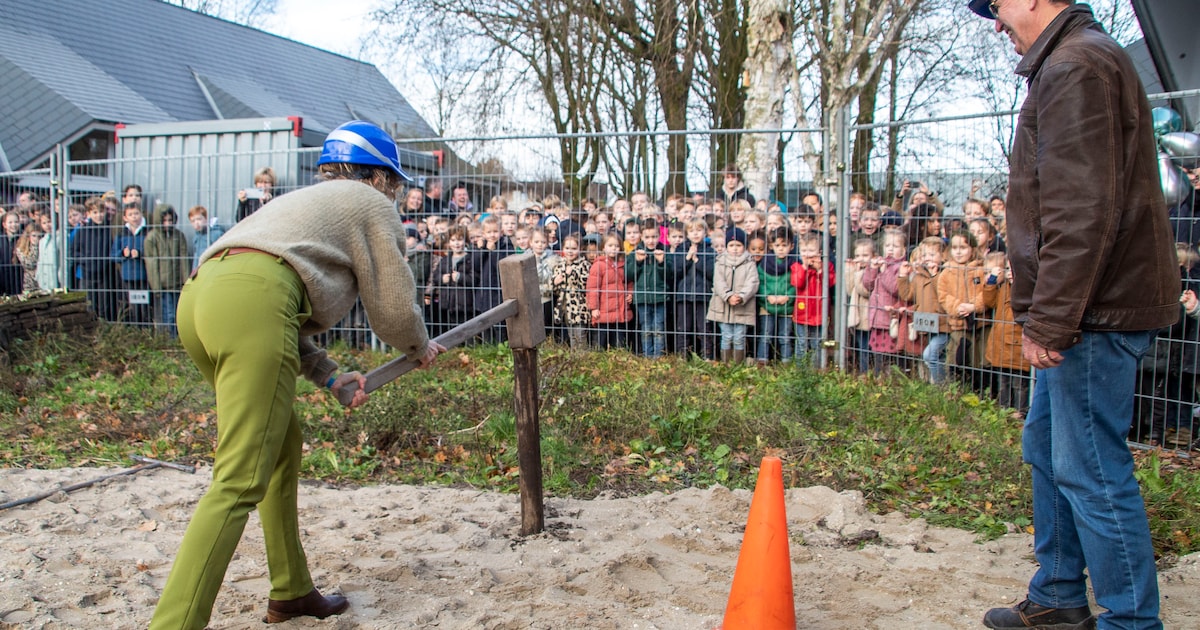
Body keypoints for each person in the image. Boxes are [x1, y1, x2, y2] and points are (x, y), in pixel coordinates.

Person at [149, 120, 445, 630]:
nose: (394, 192)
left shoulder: (307, 202)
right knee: (239, 478)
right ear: (378, 176)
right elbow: (393, 308)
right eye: (393, 181)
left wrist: (329, 375)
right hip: (251, 300)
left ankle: (291, 590)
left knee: (282, 441)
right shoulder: (368, 204)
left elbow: (265, 293)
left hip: (202, 298)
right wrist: (419, 346)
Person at [968, 2, 1179, 629]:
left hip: (1096, 312)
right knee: (1048, 447)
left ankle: (1130, 621)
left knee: (1090, 468)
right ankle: (1060, 592)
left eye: (998, 7)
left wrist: (1052, 319)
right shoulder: (1072, 60)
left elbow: (1082, 211)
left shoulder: (1077, 66)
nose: (997, 22)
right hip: (1091, 305)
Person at [980, 251, 1031, 416]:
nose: (1011, 273)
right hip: (1001, 346)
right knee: (1003, 382)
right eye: (1008, 269)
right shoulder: (1003, 289)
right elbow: (989, 300)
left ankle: (1020, 411)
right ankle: (1004, 411)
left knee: (1020, 384)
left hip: (1018, 348)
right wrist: (992, 281)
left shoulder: (1027, 291)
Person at [898, 237, 950, 384]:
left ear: (942, 256)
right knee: (937, 357)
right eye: (925, 255)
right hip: (929, 325)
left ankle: (941, 387)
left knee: (930, 355)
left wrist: (934, 276)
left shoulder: (944, 274)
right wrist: (903, 276)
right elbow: (907, 295)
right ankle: (943, 383)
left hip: (944, 325)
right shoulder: (919, 276)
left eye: (932, 255)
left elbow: (942, 294)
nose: (928, 259)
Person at [707, 227, 759, 364]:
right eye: (731, 245)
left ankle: (737, 365)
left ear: (744, 246)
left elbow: (752, 282)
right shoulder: (720, 261)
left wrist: (741, 296)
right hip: (723, 307)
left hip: (743, 307)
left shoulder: (749, 263)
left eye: (738, 245)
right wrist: (728, 296)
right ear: (726, 246)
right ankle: (726, 364)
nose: (735, 249)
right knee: (726, 335)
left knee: (739, 336)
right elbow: (718, 282)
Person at [143, 204, 191, 337]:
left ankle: (178, 337)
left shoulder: (178, 236)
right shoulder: (152, 238)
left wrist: (186, 281)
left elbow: (184, 259)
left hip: (176, 283)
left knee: (177, 313)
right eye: (164, 221)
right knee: (168, 313)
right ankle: (170, 338)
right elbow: (152, 263)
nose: (168, 224)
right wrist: (156, 286)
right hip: (163, 284)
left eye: (170, 220)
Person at [672, 218, 715, 359]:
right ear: (687, 234)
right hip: (684, 295)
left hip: (703, 295)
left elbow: (712, 272)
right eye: (691, 231)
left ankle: (707, 356)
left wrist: (697, 261)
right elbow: (675, 271)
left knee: (704, 328)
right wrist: (687, 258)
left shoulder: (710, 251)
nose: (695, 234)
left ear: (705, 232)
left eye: (699, 230)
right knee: (684, 327)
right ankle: (683, 356)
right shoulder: (681, 249)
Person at [626, 218, 668, 358]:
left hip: (660, 296)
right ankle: (647, 356)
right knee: (646, 328)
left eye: (654, 236)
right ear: (641, 236)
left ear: (659, 235)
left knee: (658, 327)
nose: (651, 240)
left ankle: (658, 356)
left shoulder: (665, 251)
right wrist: (637, 263)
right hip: (642, 297)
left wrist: (662, 263)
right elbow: (628, 274)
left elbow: (672, 274)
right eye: (647, 237)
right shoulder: (635, 252)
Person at [587, 233, 631, 350]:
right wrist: (594, 307)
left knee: (619, 343)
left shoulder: (623, 265)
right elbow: (592, 288)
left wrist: (630, 293)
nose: (614, 248)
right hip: (603, 312)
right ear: (603, 248)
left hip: (620, 310)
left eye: (616, 246)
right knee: (600, 342)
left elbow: (629, 282)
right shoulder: (598, 265)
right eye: (610, 245)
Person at [110, 202, 151, 324]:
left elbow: (152, 252)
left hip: (143, 276)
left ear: (141, 214)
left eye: (136, 213)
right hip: (127, 276)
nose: (134, 216)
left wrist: (140, 254)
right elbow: (113, 255)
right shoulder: (121, 234)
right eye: (130, 214)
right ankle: (134, 327)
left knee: (144, 305)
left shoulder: (147, 232)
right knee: (131, 304)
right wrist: (123, 254)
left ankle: (146, 328)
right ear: (125, 217)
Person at [551, 233, 589, 348]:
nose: (570, 251)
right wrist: (555, 282)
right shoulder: (559, 265)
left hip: (579, 309)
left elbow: (585, 284)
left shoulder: (584, 264)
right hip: (564, 308)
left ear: (580, 249)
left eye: (573, 248)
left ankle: (582, 360)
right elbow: (555, 290)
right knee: (571, 337)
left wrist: (572, 274)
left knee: (580, 337)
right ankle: (574, 360)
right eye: (567, 248)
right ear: (562, 249)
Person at [845, 238, 877, 373]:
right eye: (857, 255)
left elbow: (864, 291)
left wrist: (857, 274)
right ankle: (863, 371)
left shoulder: (873, 271)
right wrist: (850, 271)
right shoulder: (858, 270)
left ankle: (872, 373)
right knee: (861, 346)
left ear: (873, 256)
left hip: (870, 316)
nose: (861, 259)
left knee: (871, 348)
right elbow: (850, 289)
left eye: (865, 255)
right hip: (859, 315)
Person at [188, 206, 226, 271]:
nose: (196, 223)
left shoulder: (217, 234)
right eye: (193, 221)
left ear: (206, 218)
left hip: (212, 270)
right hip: (199, 271)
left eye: (199, 219)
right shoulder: (196, 237)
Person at [36, 210, 62, 291]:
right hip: (43, 281)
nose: (47, 225)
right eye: (44, 223)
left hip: (56, 280)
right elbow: (40, 260)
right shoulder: (42, 241)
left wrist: (61, 277)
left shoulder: (61, 238)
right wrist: (38, 276)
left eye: (49, 221)